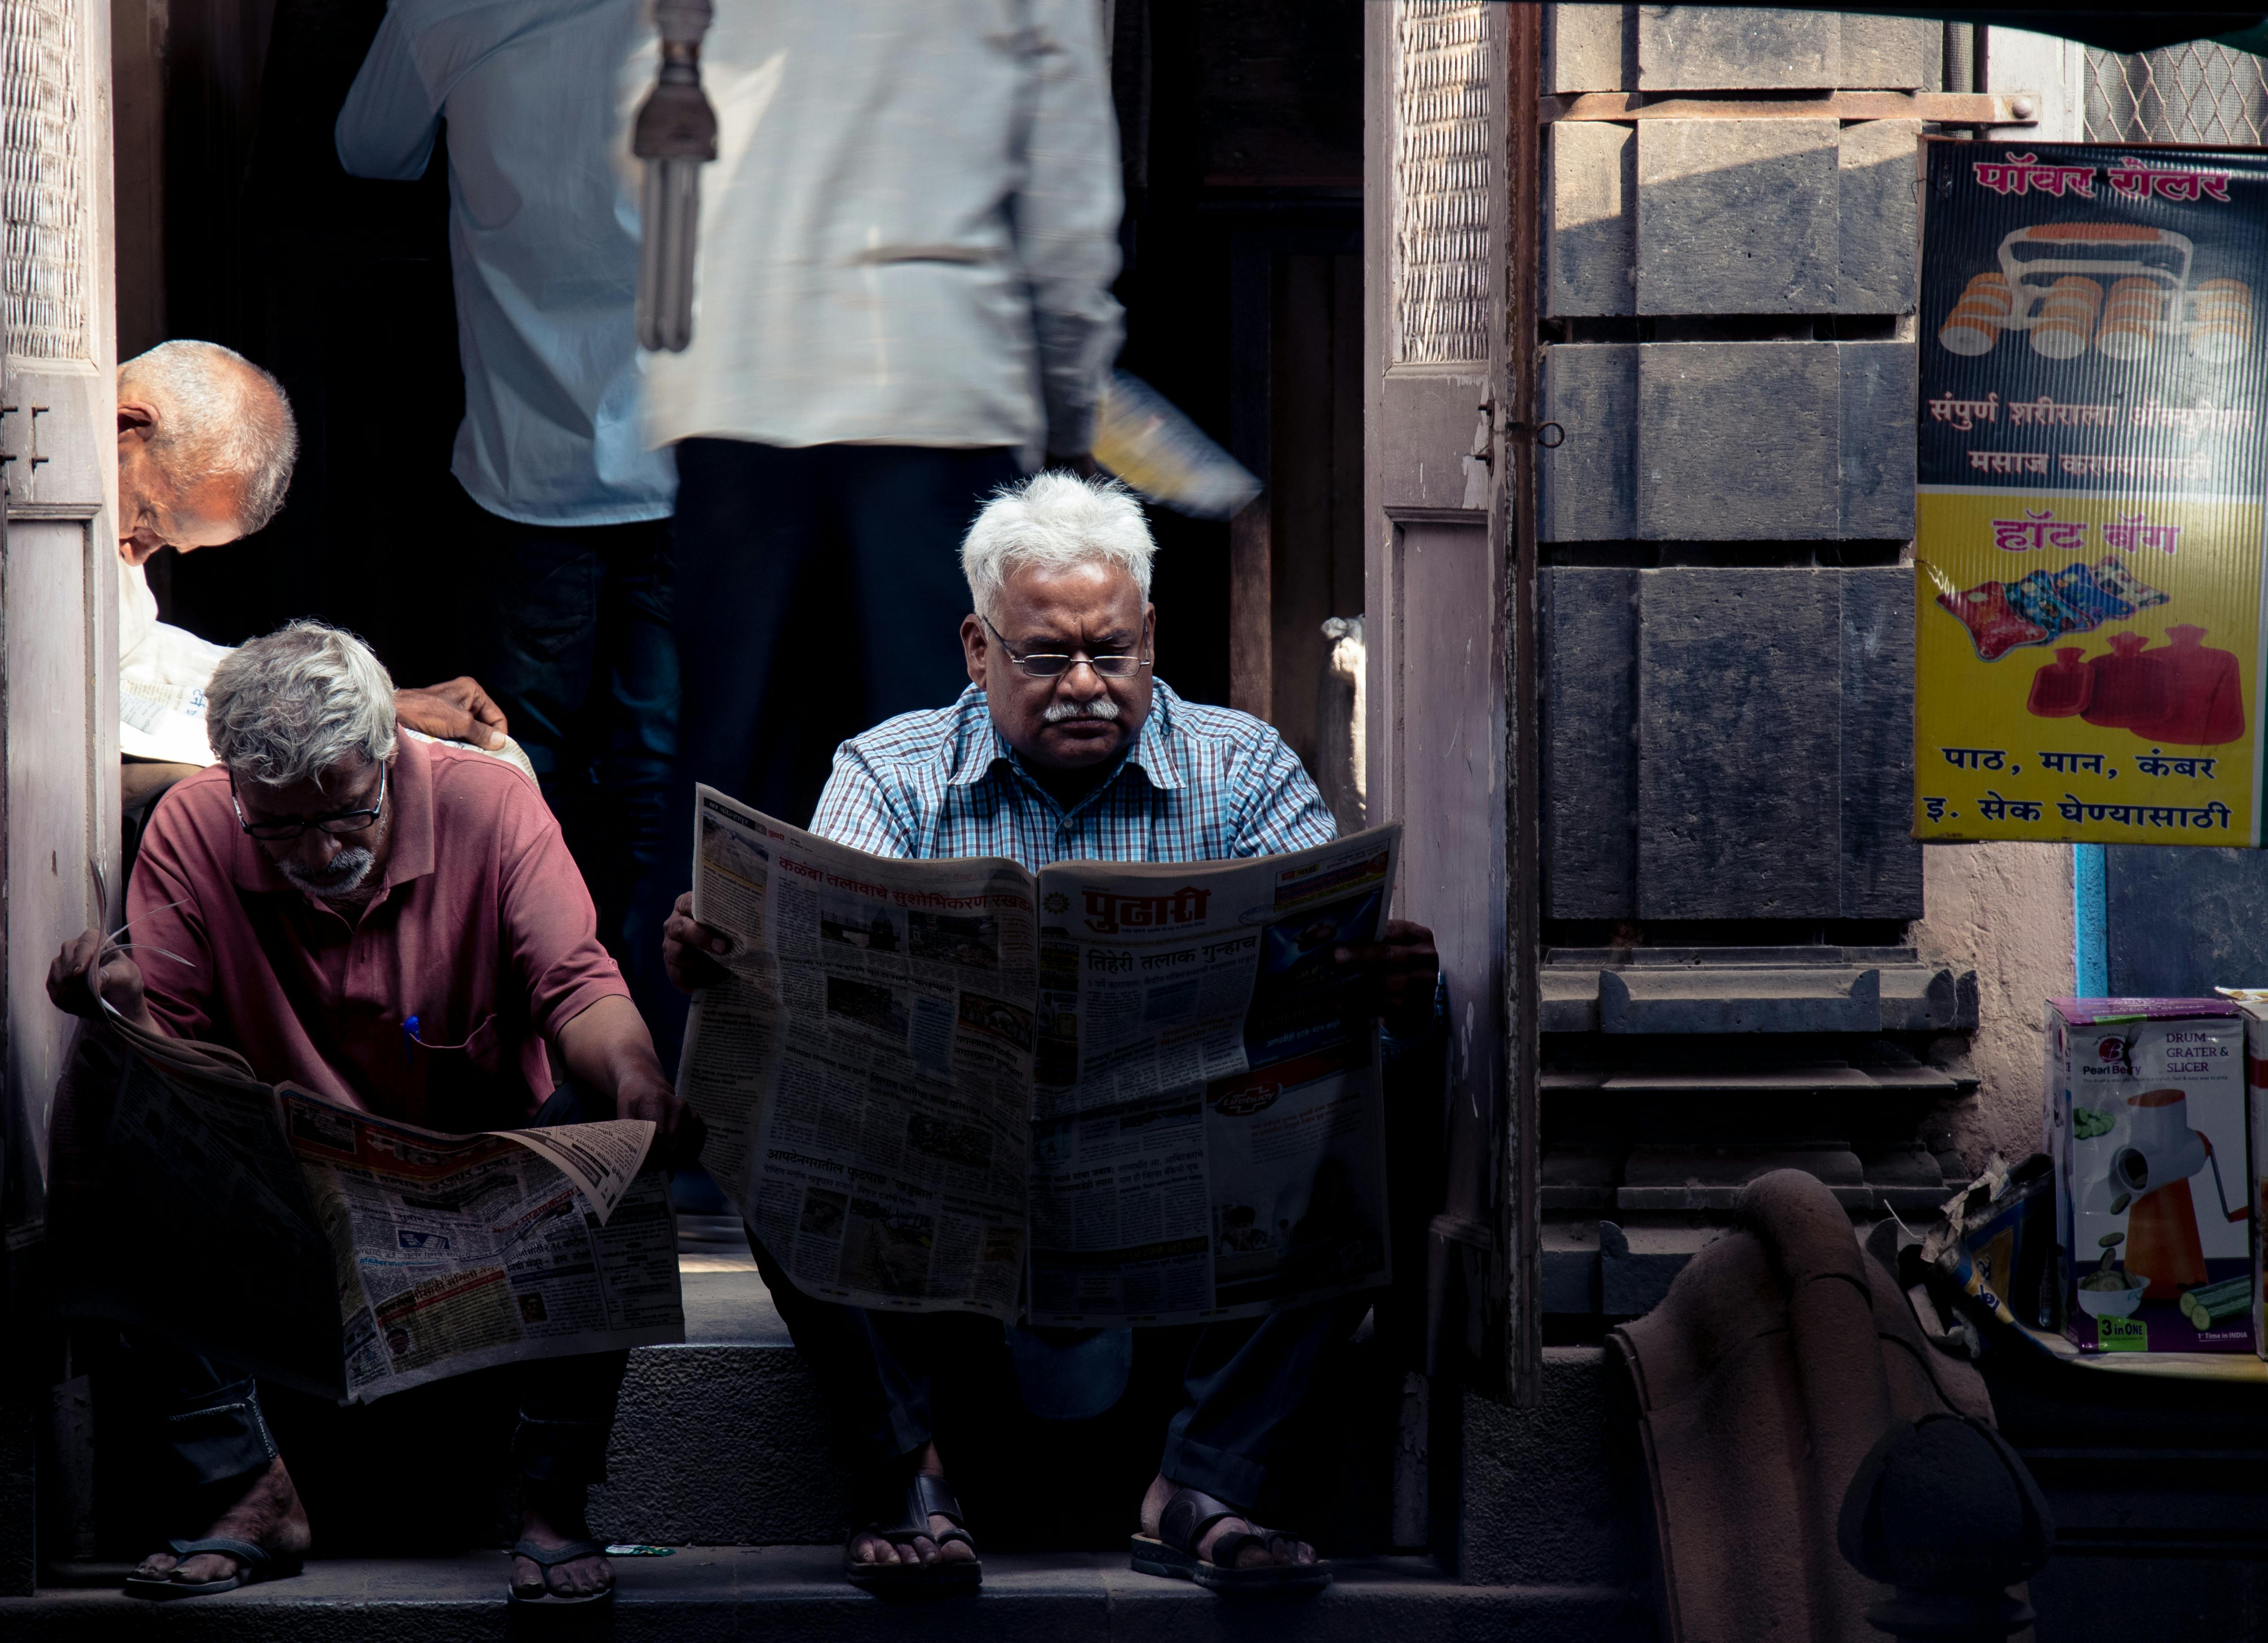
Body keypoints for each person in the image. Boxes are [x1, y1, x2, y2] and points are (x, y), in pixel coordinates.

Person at [663, 474, 1441, 1595]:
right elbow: (820, 1008)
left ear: (1150, 637)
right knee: (767, 1086)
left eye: (1111, 651)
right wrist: (737, 968)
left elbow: (1333, 1018)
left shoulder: (1244, 769)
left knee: (1399, 1076)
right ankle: (907, 1470)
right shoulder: (889, 774)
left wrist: (1391, 998)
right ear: (977, 649)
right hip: (954, 1231)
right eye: (1044, 656)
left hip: (1187, 1224)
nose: (1084, 683)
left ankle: (1204, 1482)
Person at [48, 620, 701, 1605]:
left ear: (389, 755)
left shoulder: (492, 805)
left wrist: (639, 1077)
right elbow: (175, 1071)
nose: (318, 850)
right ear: (236, 785)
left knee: (603, 1119)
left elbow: (574, 982)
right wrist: (126, 1014)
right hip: (291, 1219)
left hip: (486, 1221)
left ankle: (552, 1501)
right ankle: (248, 1487)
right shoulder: (195, 826)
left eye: (346, 814)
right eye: (279, 826)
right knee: (108, 1089)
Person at [638, 0, 1124, 1053]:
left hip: (737, 386)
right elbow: (1066, 191)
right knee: (939, 781)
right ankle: (942, 1077)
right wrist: (1068, 405)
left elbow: (645, 135)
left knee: (733, 780)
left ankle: (695, 1089)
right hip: (932, 383)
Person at [336, 0, 680, 1013]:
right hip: (686, 460)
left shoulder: (444, 8)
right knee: (660, 770)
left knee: (520, 762)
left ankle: (543, 1016)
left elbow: (368, 150)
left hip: (529, 469)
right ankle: (650, 1030)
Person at [113, 340, 513, 856]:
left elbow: (136, 649)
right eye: (149, 522)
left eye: (161, 542)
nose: (133, 552)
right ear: (128, 427)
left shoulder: (117, 494)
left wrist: (355, 704)